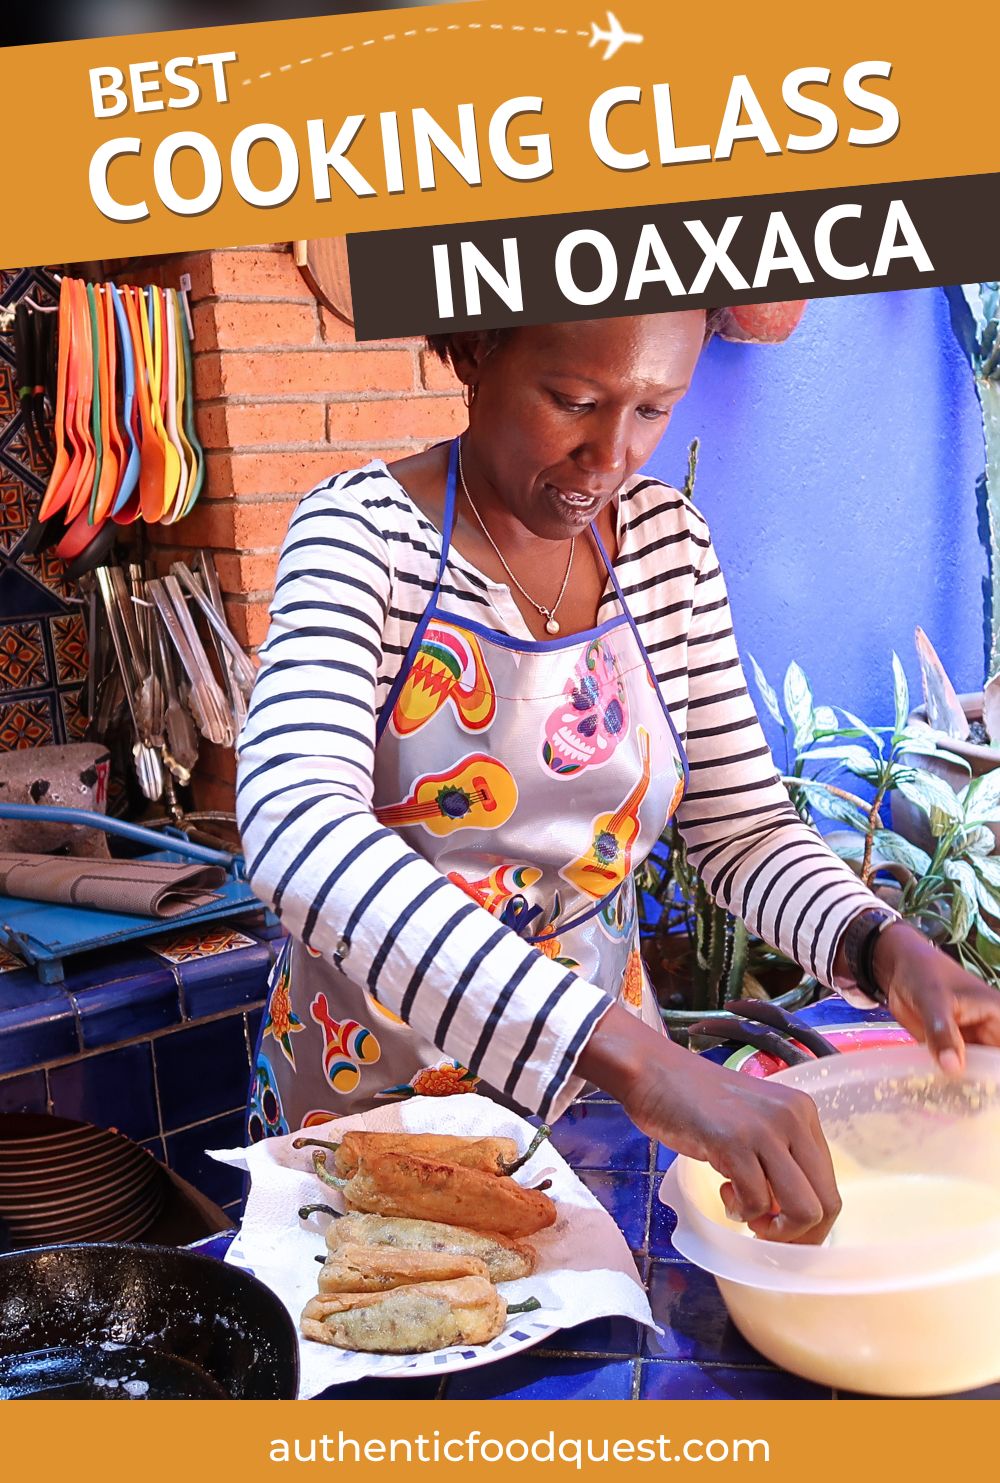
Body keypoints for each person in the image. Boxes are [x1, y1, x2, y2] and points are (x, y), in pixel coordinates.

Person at [236, 309, 1000, 1244]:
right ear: (475, 351)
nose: (611, 456)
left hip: (599, 1119)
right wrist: (643, 1061)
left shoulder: (666, 550)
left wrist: (883, 947)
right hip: (374, 1110)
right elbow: (294, 825)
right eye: (574, 401)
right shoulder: (358, 542)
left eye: (653, 409)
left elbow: (741, 830)